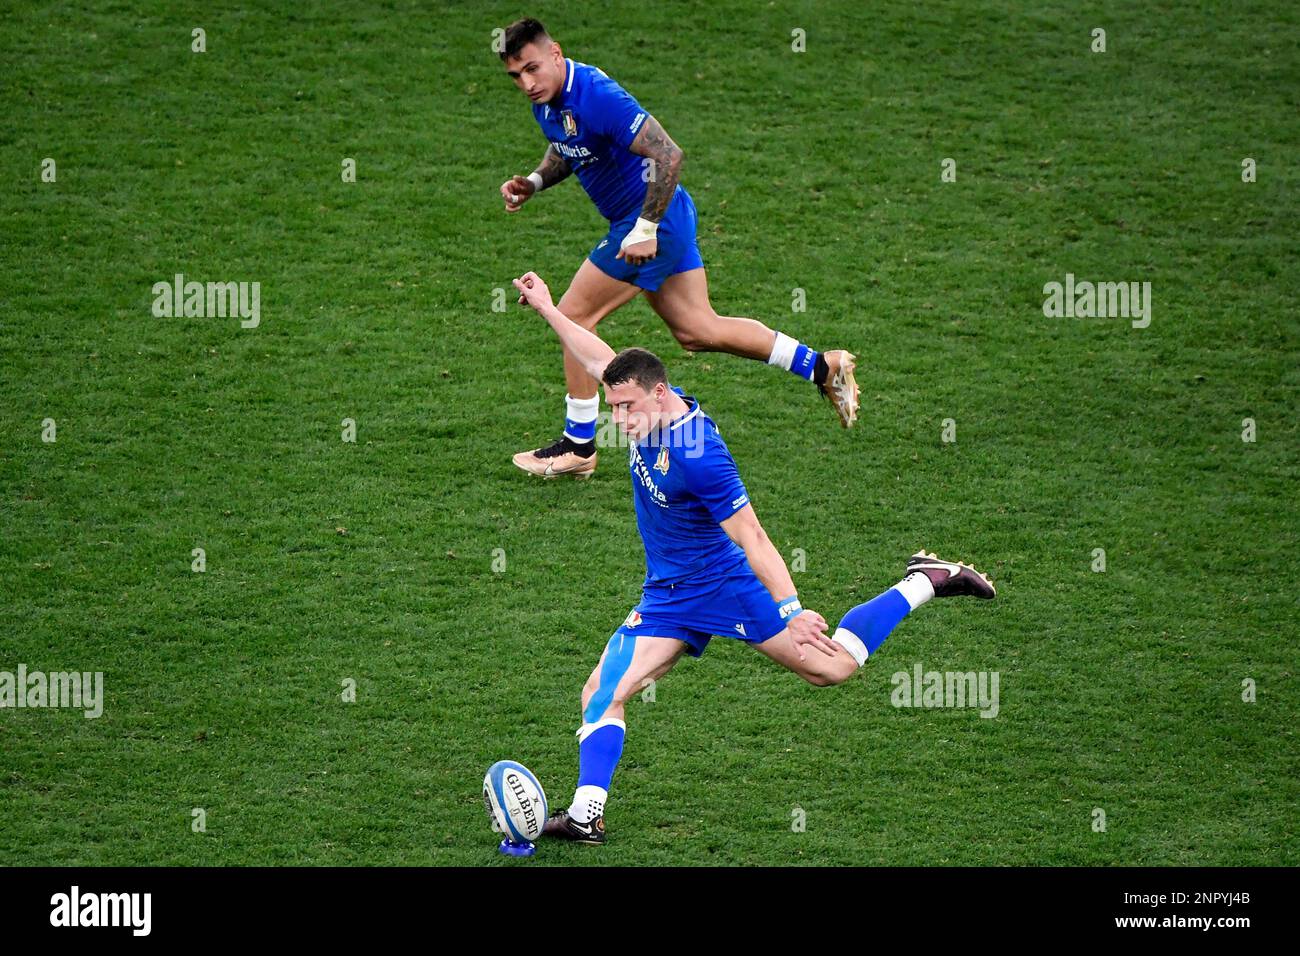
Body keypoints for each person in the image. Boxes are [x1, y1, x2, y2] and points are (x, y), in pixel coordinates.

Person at [512, 271, 996, 843]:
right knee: (601, 691)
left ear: (660, 394)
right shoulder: (638, 398)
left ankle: (924, 581)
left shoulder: (699, 454)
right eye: (613, 408)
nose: (619, 421)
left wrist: (790, 609)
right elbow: (598, 358)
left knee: (833, 668)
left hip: (727, 585)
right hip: (666, 595)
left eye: (625, 408)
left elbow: (754, 537)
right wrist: (547, 307)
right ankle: (586, 817)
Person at [499, 17, 860, 481]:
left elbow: (668, 154)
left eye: (532, 68)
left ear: (555, 53)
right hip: (655, 219)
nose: (527, 83)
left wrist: (645, 228)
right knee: (697, 329)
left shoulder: (597, 96)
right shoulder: (548, 100)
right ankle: (821, 367)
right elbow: (567, 147)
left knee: (570, 316)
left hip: (652, 220)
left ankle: (578, 445)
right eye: (516, 76)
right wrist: (533, 182)